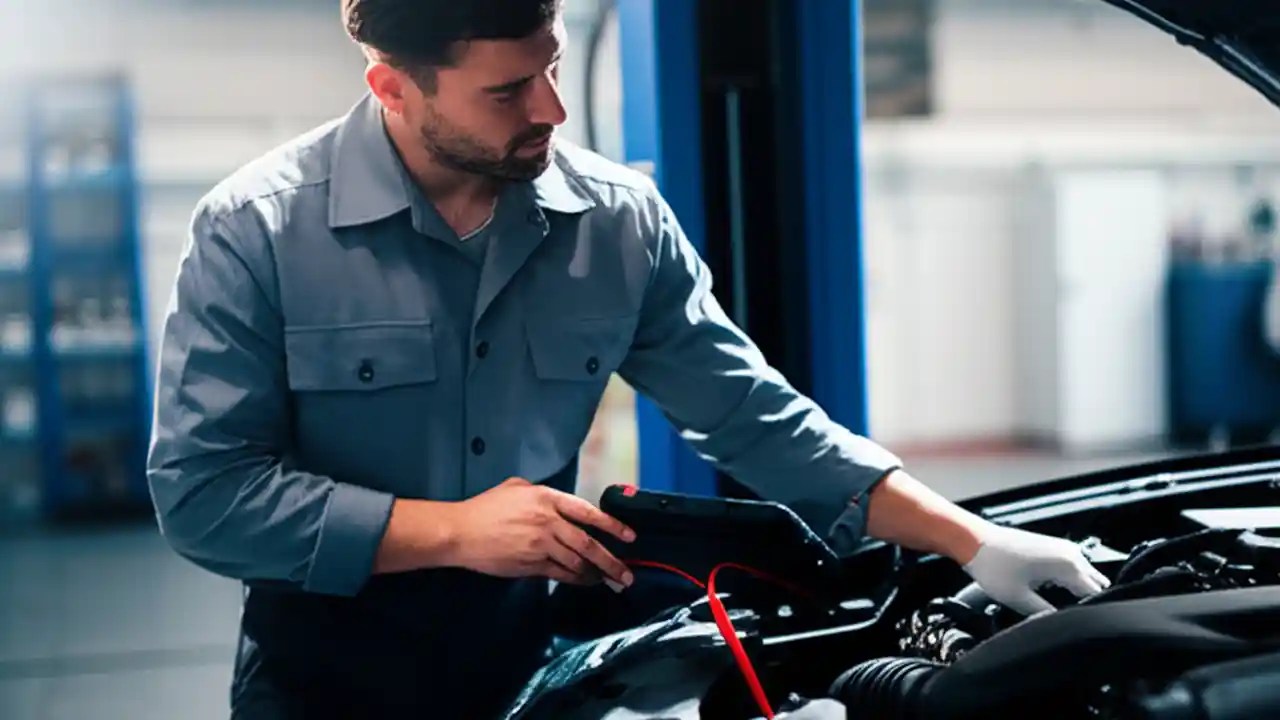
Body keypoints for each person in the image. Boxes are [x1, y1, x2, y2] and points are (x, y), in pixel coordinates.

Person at [146, 1, 1110, 717]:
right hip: (323, 675)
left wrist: (971, 540)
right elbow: (203, 496)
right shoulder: (257, 231)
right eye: (508, 90)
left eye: (552, 67)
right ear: (392, 86)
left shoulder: (615, 224)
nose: (553, 109)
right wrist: (451, 531)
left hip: (535, 662)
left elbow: (752, 414)